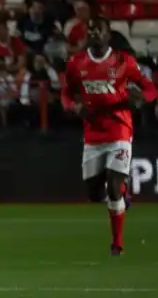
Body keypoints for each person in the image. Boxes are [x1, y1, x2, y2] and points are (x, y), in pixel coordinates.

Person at [61, 17, 157, 256]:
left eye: (98, 30)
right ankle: (123, 193)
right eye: (90, 30)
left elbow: (150, 88)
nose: (93, 33)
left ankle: (117, 244)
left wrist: (143, 98)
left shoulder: (124, 61)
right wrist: (74, 107)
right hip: (93, 135)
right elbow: (66, 94)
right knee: (95, 194)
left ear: (108, 35)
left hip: (120, 130)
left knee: (113, 186)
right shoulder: (76, 63)